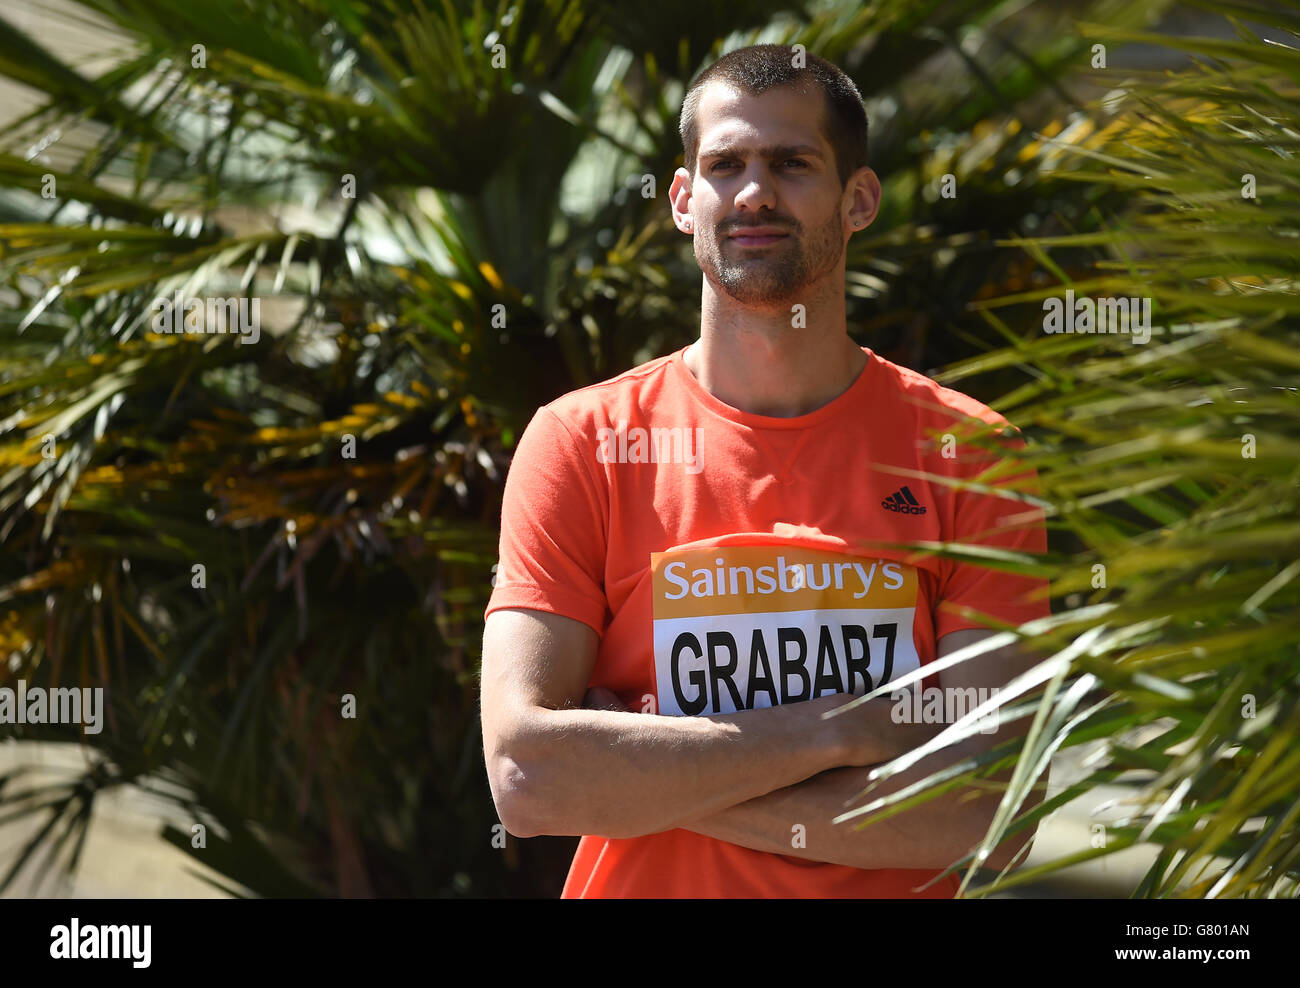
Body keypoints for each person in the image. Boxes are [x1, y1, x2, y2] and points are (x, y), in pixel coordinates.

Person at [479, 44, 1051, 898]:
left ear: (857, 199)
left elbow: (996, 807)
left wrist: (649, 775)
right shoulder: (582, 441)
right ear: (682, 200)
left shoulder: (971, 454)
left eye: (791, 163)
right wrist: (843, 729)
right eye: (725, 165)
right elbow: (528, 780)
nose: (753, 192)